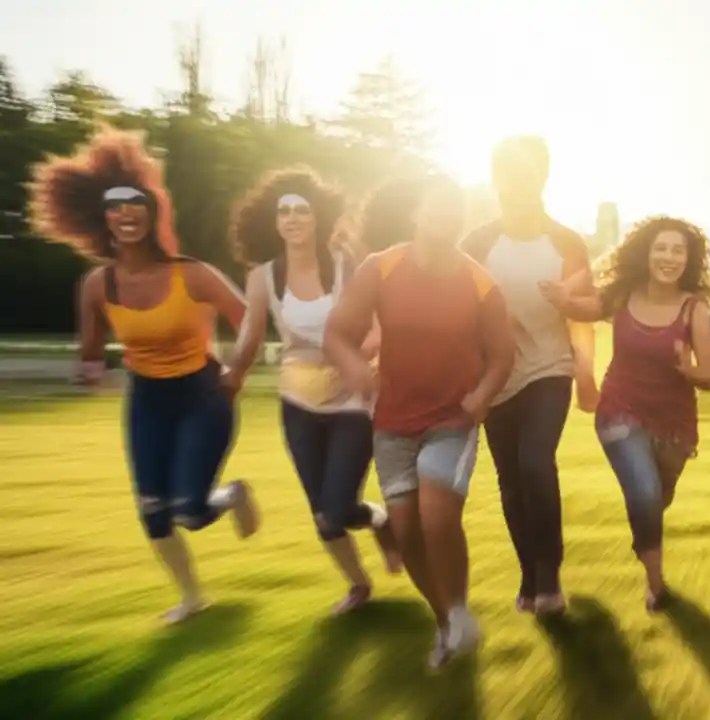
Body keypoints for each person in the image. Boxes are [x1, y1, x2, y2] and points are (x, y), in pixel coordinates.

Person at [28, 126, 259, 624]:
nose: (126, 212)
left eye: (135, 203)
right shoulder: (96, 285)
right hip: (148, 400)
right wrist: (92, 372)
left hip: (203, 393)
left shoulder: (190, 273)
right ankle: (192, 597)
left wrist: (236, 371)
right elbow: (90, 353)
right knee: (153, 510)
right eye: (115, 205)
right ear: (101, 218)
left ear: (152, 212)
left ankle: (232, 495)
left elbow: (250, 319)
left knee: (189, 512)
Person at [325, 171, 515, 670]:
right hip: (391, 422)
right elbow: (339, 333)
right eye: (435, 207)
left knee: (436, 514)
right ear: (416, 213)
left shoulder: (480, 282)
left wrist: (482, 394)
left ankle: (456, 612)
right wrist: (355, 371)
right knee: (406, 529)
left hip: (452, 418)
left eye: (454, 209)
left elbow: (502, 355)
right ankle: (449, 621)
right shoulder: (381, 267)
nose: (444, 217)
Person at [223, 167, 401, 616]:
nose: (292, 218)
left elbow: (381, 327)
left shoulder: (348, 264)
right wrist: (232, 373)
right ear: (273, 221)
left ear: (318, 216)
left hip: (352, 402)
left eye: (302, 210)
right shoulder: (263, 278)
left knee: (338, 504)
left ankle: (379, 521)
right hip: (298, 404)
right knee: (323, 514)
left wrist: (356, 360)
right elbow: (249, 335)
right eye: (283, 212)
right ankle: (359, 585)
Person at [540, 216, 710, 612]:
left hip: (674, 423)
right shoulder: (623, 295)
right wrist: (561, 297)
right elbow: (583, 309)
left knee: (656, 497)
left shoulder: (694, 309)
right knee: (644, 492)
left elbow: (709, 376)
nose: (668, 257)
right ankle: (656, 586)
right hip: (619, 409)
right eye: (660, 248)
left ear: (688, 260)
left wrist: (686, 370)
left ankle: (645, 528)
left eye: (677, 250)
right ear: (646, 253)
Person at [460, 135, 596, 617]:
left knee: (536, 461)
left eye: (527, 172)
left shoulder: (566, 241)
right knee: (510, 478)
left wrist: (585, 371)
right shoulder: (477, 242)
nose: (516, 182)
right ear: (496, 179)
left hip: (549, 368)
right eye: (507, 173)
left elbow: (584, 310)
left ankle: (550, 576)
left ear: (543, 176)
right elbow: (458, 304)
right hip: (495, 376)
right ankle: (527, 574)